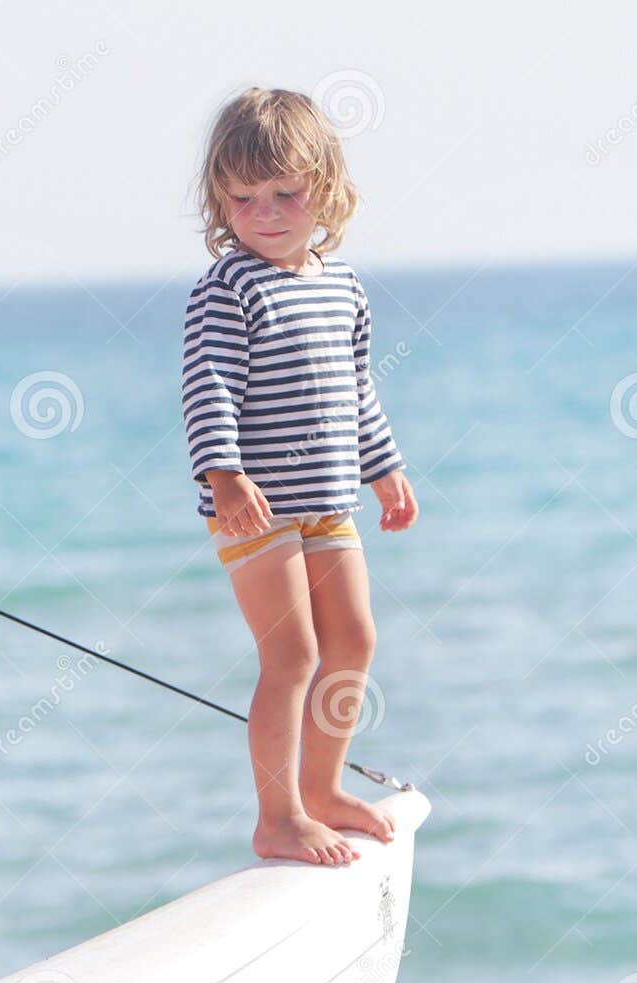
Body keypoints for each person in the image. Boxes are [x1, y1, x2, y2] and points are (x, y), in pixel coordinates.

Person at [181, 87, 419, 866]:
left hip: (328, 502)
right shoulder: (230, 287)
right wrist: (223, 475)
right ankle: (277, 816)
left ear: (326, 187)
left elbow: (356, 389)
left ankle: (321, 788)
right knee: (291, 656)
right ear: (220, 200)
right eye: (243, 198)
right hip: (255, 509)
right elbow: (209, 384)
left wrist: (385, 468)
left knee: (353, 639)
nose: (266, 213)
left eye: (285, 192)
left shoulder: (341, 286)